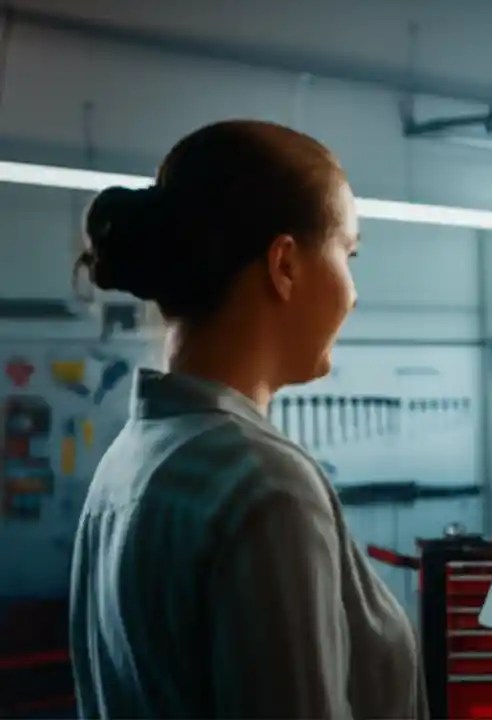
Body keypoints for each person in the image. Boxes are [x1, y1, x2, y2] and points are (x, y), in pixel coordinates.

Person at [67, 120, 428, 719]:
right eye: (348, 253)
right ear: (284, 264)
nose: (354, 293)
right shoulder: (265, 484)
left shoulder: (130, 459)